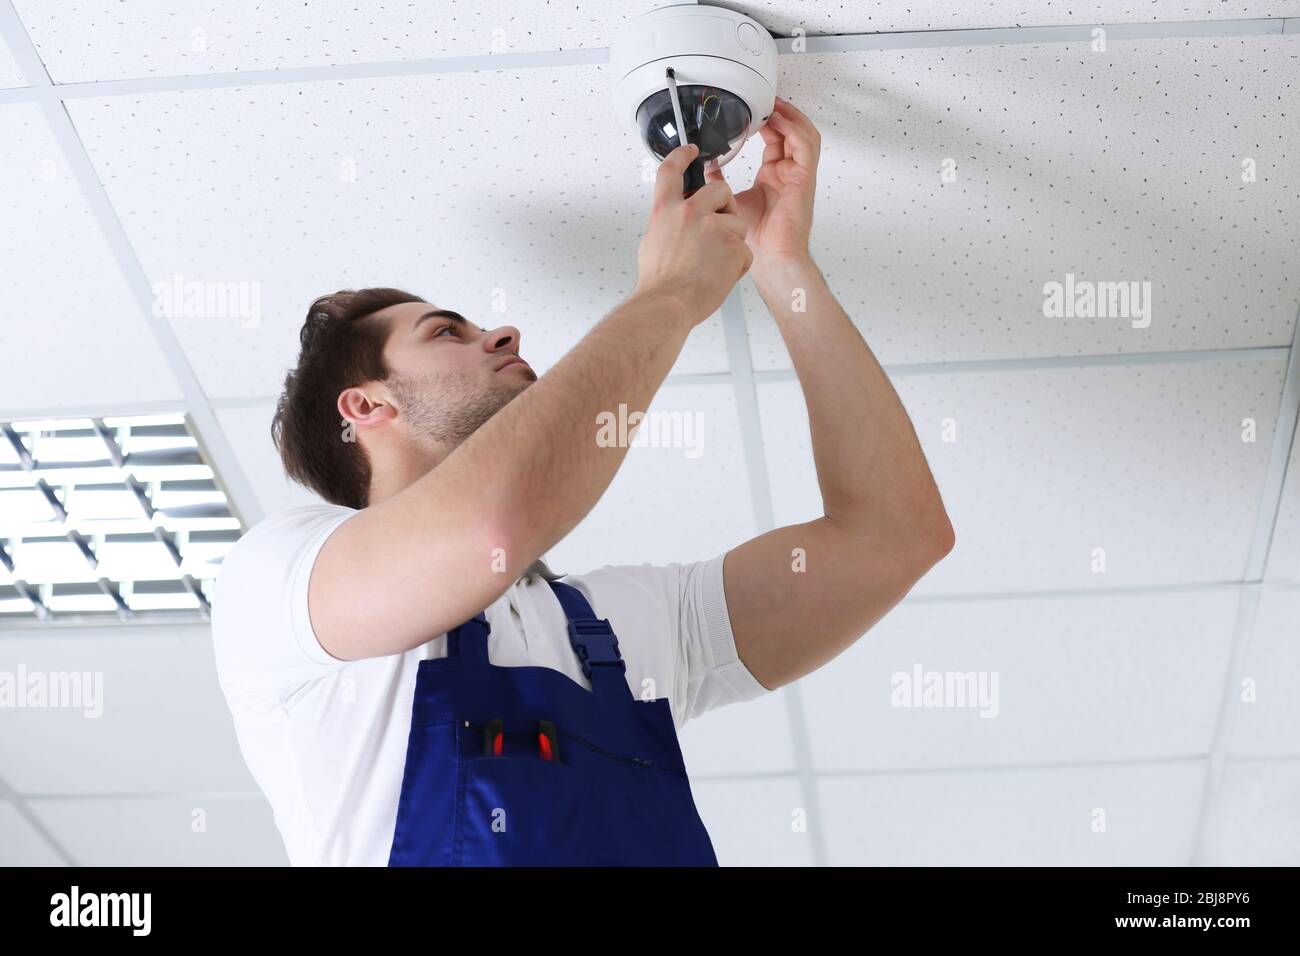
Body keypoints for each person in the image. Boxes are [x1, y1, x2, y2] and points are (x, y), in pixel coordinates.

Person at [211, 97, 955, 866]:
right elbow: (488, 532)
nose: (501, 333)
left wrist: (782, 266)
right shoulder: (278, 584)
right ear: (366, 406)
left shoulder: (615, 628)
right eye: (445, 333)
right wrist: (669, 293)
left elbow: (894, 539)